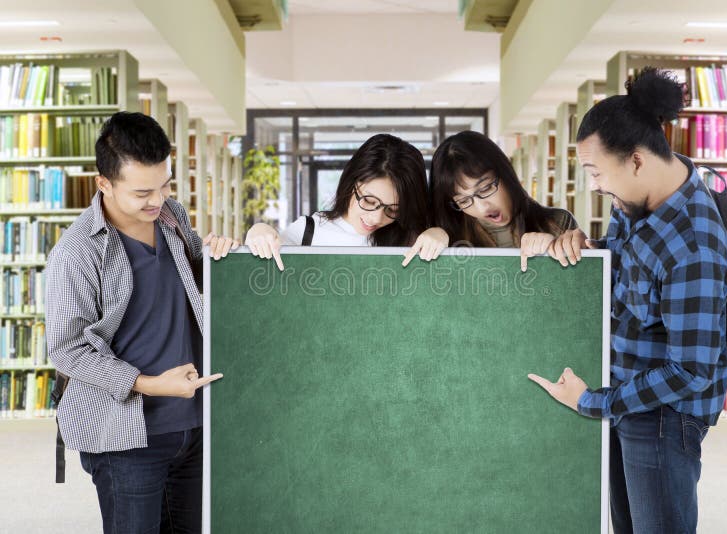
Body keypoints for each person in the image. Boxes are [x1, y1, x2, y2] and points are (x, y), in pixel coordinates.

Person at [528, 68, 727, 534]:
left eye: (598, 172)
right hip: (628, 399)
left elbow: (690, 370)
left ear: (637, 161)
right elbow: (626, 264)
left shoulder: (693, 245)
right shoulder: (636, 200)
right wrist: (587, 246)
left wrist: (594, 402)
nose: (596, 186)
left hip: (663, 418)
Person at [45, 111, 239, 533]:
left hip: (192, 427)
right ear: (104, 184)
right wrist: (151, 384)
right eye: (142, 193)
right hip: (125, 438)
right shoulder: (76, 253)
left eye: (166, 184)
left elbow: (187, 282)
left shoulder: (170, 216)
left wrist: (220, 256)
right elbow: (66, 348)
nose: (158, 200)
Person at [245, 133, 446, 268]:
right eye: (369, 201)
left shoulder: (411, 239)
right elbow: (268, 258)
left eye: (393, 209)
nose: (376, 218)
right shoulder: (309, 231)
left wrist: (439, 234)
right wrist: (259, 231)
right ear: (351, 183)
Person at [426, 130, 577, 270]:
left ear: (505, 173)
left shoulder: (558, 223)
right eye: (464, 201)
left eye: (485, 189)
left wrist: (552, 254)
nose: (481, 207)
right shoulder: (449, 239)